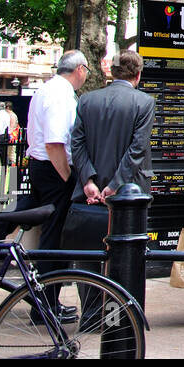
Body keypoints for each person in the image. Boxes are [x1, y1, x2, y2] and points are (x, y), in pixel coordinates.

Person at [26, 50, 89, 299]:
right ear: (80, 70)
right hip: (53, 169)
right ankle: (46, 304)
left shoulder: (47, 89)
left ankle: (47, 301)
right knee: (55, 237)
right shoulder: (60, 95)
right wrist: (68, 179)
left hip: (43, 166)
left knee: (54, 235)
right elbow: (54, 143)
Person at [70, 50, 154, 203]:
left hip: (91, 189)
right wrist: (116, 184)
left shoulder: (86, 100)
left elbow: (77, 144)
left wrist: (88, 180)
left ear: (112, 72)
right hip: (130, 190)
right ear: (138, 75)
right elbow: (138, 148)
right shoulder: (144, 102)